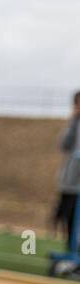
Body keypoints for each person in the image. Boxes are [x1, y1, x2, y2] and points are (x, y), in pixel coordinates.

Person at [56, 91, 80, 250]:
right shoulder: (75, 123)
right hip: (70, 181)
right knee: (66, 216)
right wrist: (73, 120)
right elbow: (63, 144)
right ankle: (71, 250)